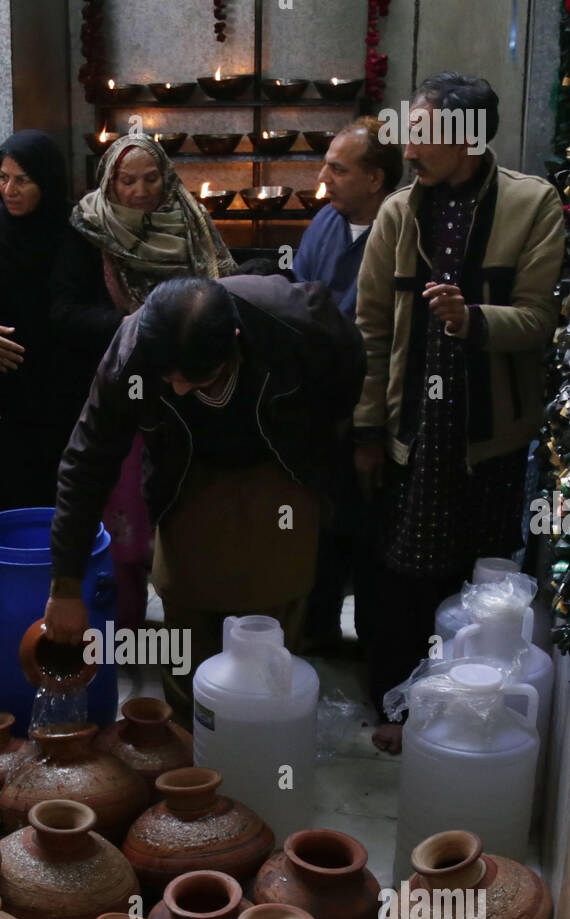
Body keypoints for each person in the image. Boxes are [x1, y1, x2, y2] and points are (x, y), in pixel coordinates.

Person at [44, 275, 366, 725]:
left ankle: (266, 729)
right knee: (185, 604)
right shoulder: (132, 353)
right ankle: (191, 738)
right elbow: (87, 462)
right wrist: (65, 587)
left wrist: (324, 451)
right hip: (186, 470)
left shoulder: (300, 323)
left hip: (282, 461)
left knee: (271, 613)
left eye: (196, 379)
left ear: (233, 341)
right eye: (168, 378)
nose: (177, 390)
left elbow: (348, 377)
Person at [353, 73, 565, 753]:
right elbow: (371, 329)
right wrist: (365, 426)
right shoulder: (398, 212)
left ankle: (465, 714)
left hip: (489, 434)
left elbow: (539, 320)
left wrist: (472, 320)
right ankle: (395, 703)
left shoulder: (534, 206)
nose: (408, 148)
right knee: (397, 574)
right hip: (411, 425)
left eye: (423, 133)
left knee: (476, 581)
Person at [50, 132, 238, 632]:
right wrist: (146, 327)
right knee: (125, 519)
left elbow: (221, 292)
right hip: (124, 387)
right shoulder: (89, 228)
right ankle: (125, 621)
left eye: (150, 178)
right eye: (127, 180)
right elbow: (65, 313)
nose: (139, 191)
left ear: (167, 176)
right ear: (109, 181)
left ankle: (193, 616)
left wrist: (187, 334)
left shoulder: (190, 219)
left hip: (189, 390)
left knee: (188, 509)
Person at [293, 116, 404, 654]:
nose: (325, 178)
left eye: (338, 169)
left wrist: (369, 432)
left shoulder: (405, 230)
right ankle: (316, 631)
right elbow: (301, 299)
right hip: (320, 403)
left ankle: (377, 647)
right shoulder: (324, 223)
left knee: (368, 530)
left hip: (375, 406)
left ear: (375, 178)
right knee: (319, 525)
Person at [0, 130, 73, 509]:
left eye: (23, 179)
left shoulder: (72, 231)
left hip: (61, 380)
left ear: (47, 180)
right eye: (4, 178)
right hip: (5, 381)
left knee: (62, 482)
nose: (11, 189)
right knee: (10, 483)